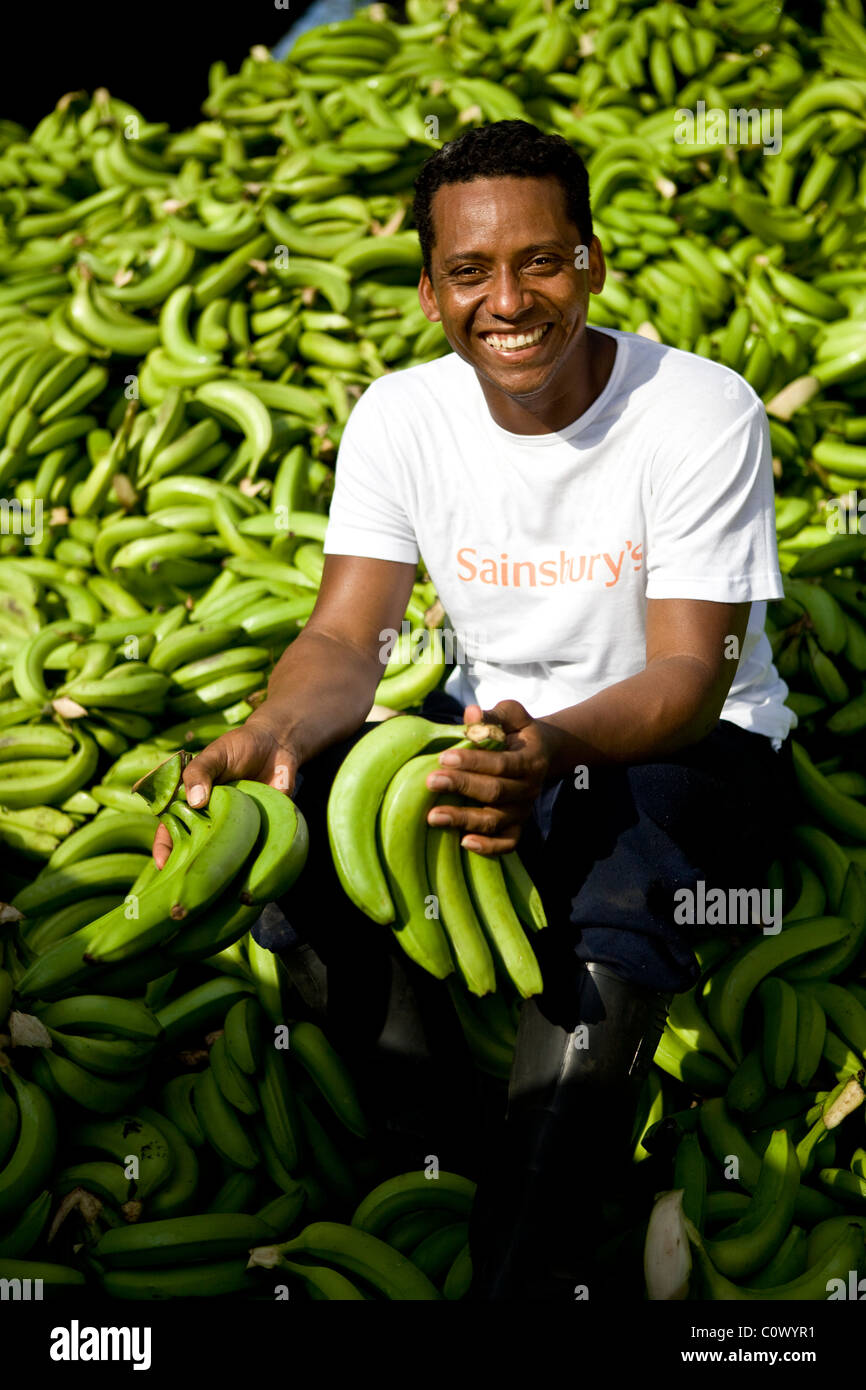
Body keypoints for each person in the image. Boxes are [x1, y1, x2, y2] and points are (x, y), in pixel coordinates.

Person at [152, 120, 795, 1301]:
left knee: (622, 875)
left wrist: (550, 752)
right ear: (427, 289)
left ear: (591, 262)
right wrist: (275, 734)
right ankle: (432, 1148)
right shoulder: (401, 418)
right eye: (468, 272)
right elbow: (348, 637)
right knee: (299, 849)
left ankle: (524, 1260)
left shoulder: (700, 412)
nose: (508, 299)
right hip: (491, 735)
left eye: (541, 261)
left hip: (679, 743)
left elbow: (688, 674)